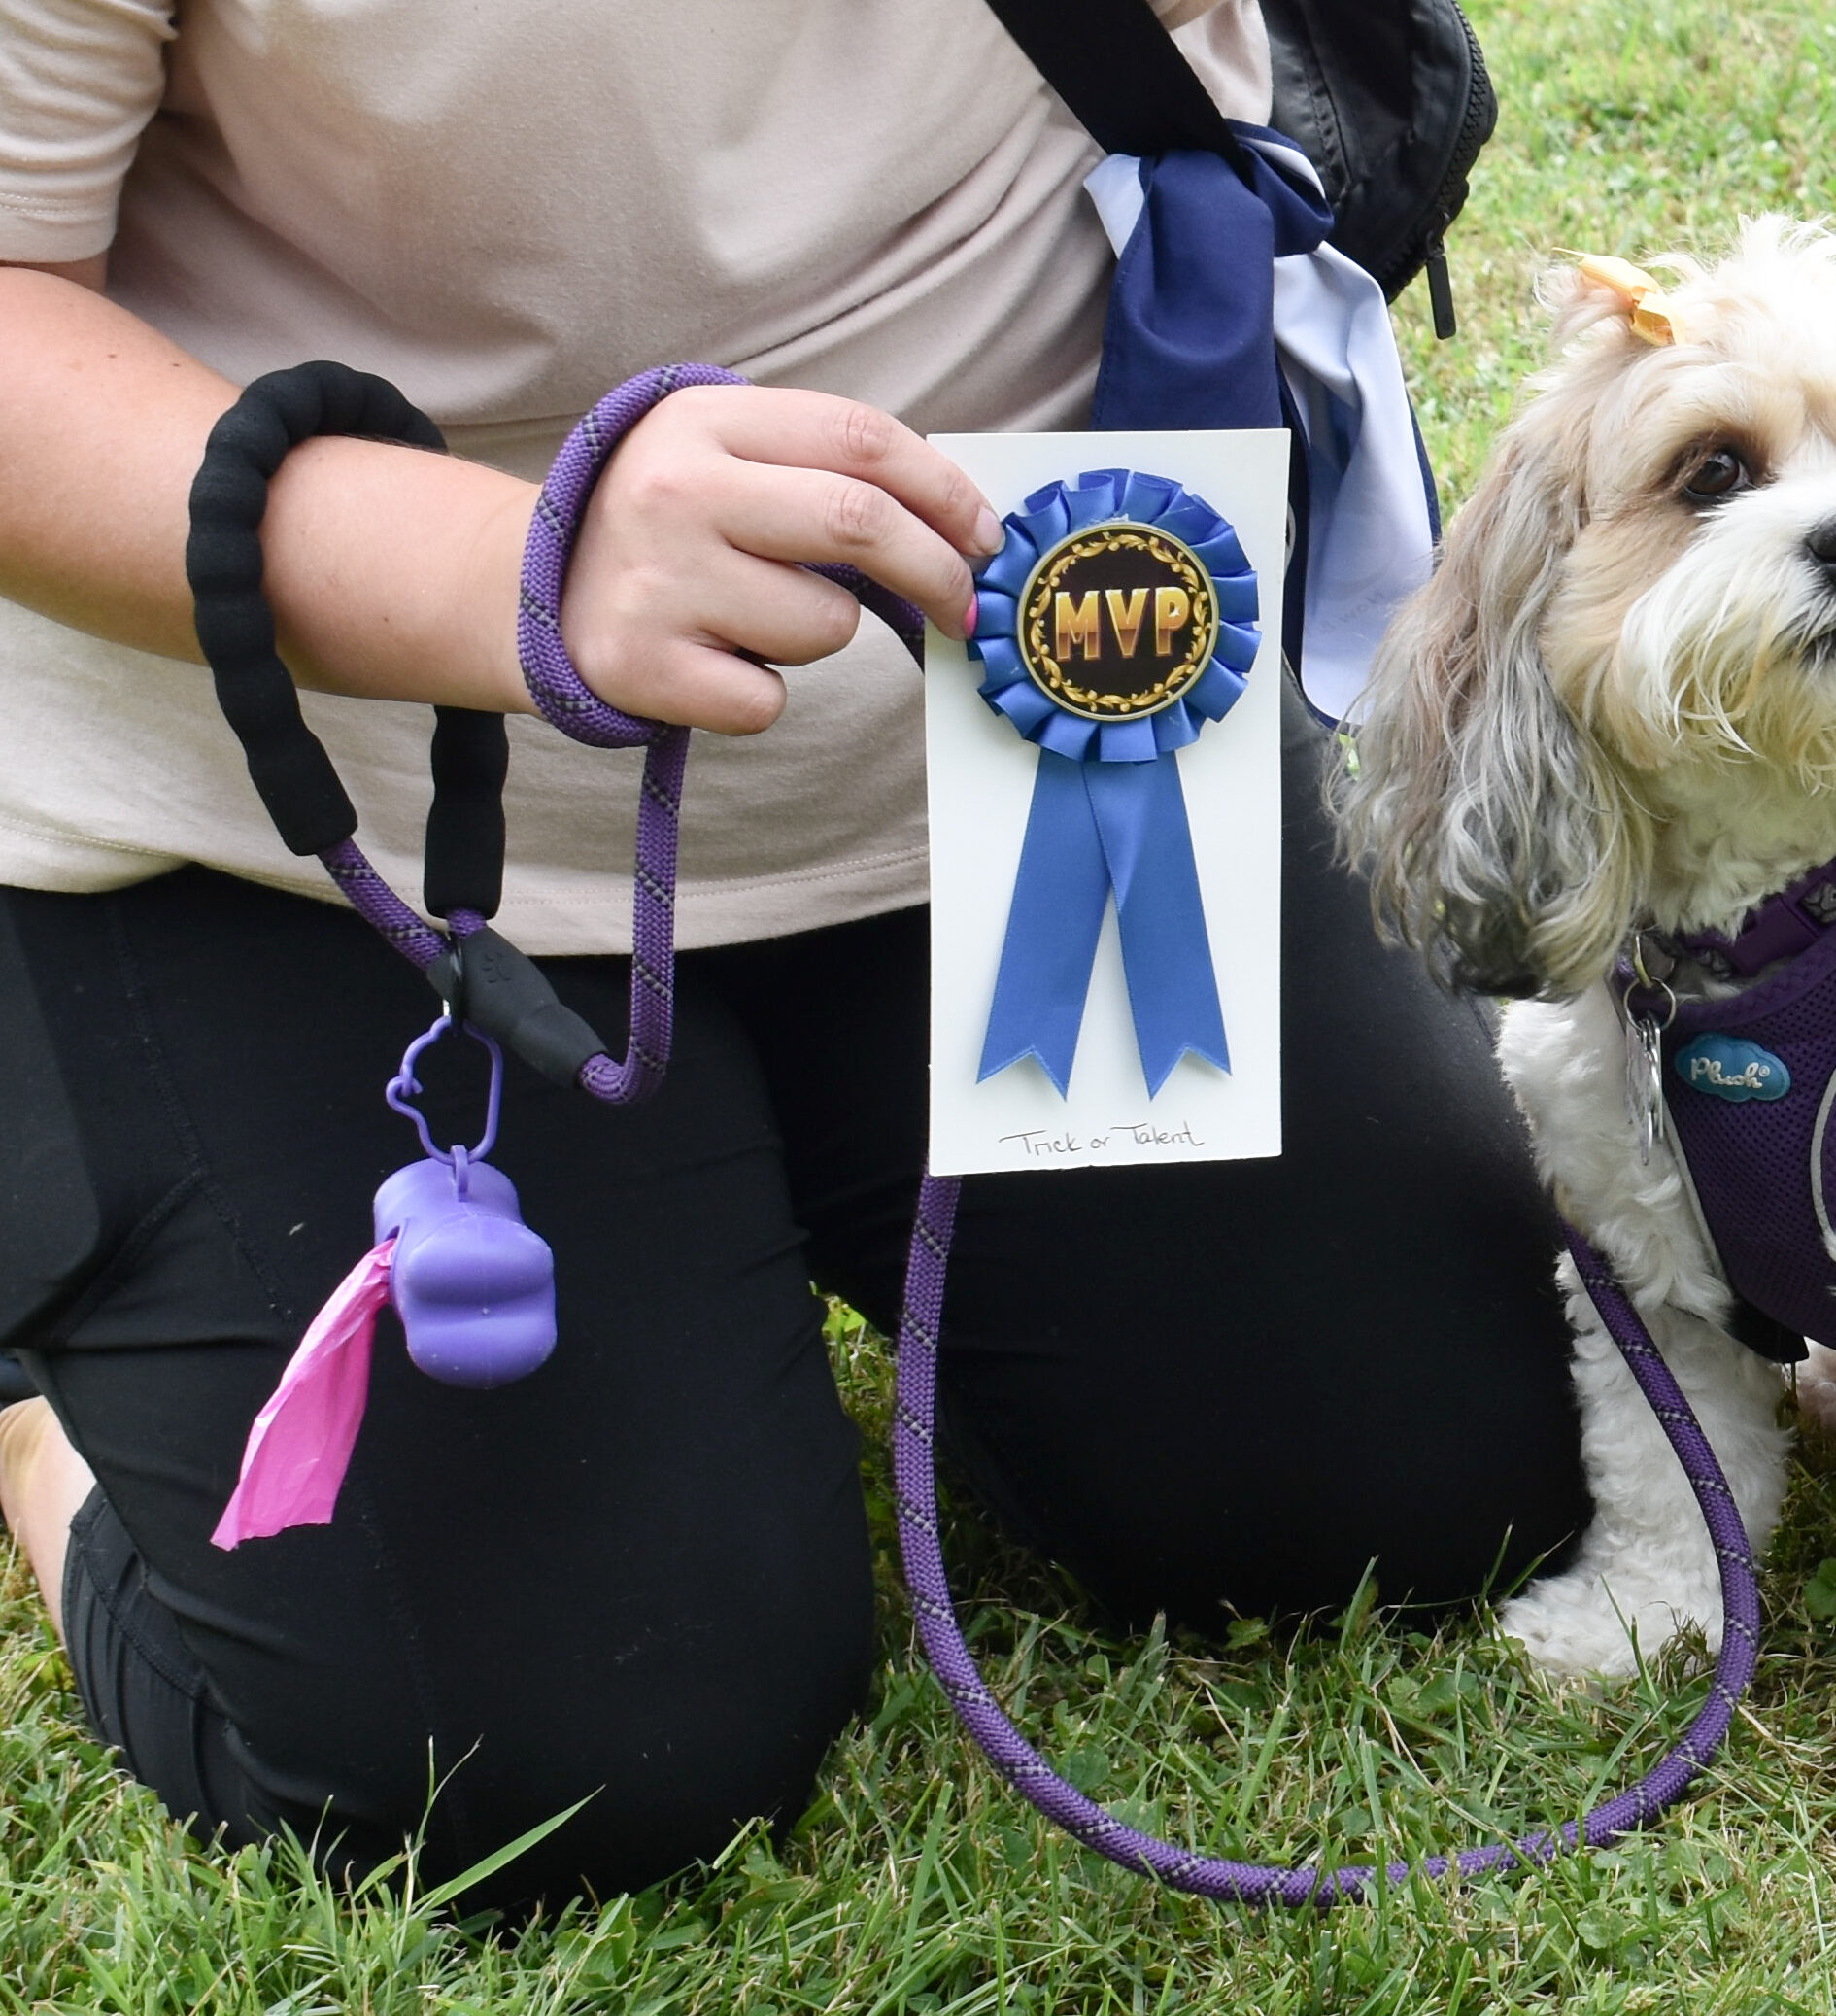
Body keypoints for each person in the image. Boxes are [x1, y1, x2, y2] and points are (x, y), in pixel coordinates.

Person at [0, 0, 1584, 1905]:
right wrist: (507, 568)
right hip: (323, 820)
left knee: (1419, 1473)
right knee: (563, 1758)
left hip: (1047, 706)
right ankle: (57, 1442)